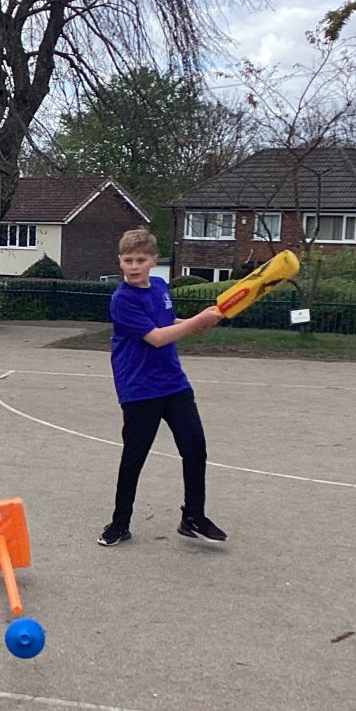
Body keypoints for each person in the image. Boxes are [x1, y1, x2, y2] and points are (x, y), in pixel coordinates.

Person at [99, 228, 228, 547]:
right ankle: (119, 523)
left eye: (140, 260)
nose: (134, 266)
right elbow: (155, 338)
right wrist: (196, 322)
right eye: (128, 260)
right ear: (120, 261)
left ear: (154, 261)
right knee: (135, 456)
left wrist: (195, 323)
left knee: (195, 447)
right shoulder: (122, 299)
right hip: (139, 388)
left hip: (174, 383)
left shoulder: (159, 286)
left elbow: (166, 324)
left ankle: (193, 516)